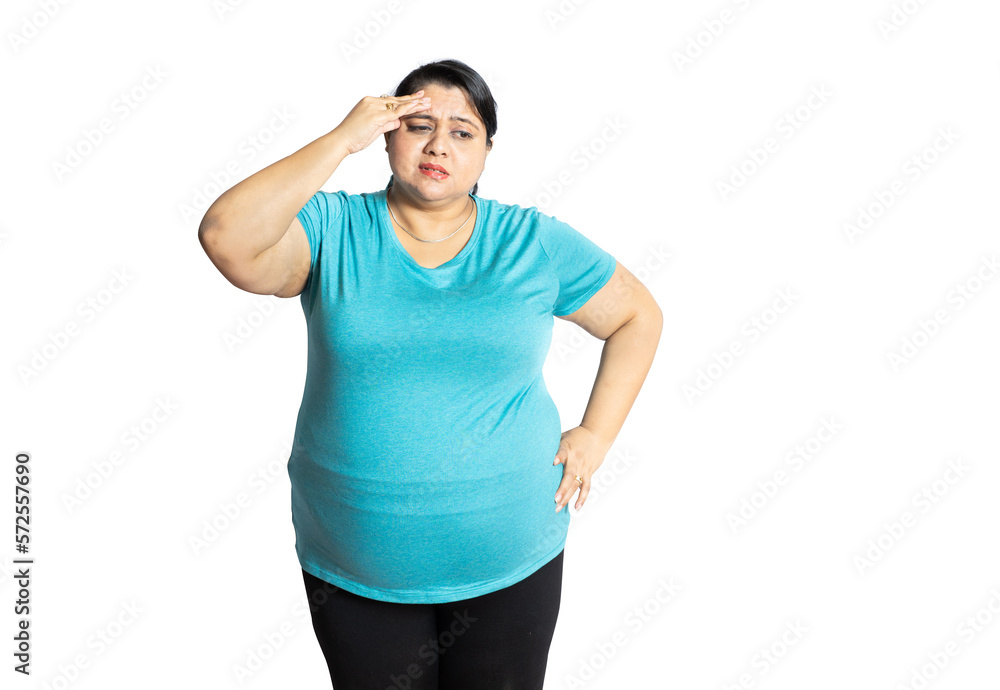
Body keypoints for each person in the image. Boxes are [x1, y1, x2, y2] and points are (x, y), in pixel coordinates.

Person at [197, 58, 662, 690]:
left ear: (487, 152)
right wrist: (339, 140)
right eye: (418, 124)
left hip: (511, 555)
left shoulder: (532, 242)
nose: (439, 143)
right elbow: (227, 237)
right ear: (386, 134)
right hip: (355, 560)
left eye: (463, 131)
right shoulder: (331, 230)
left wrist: (596, 436)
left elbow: (637, 316)